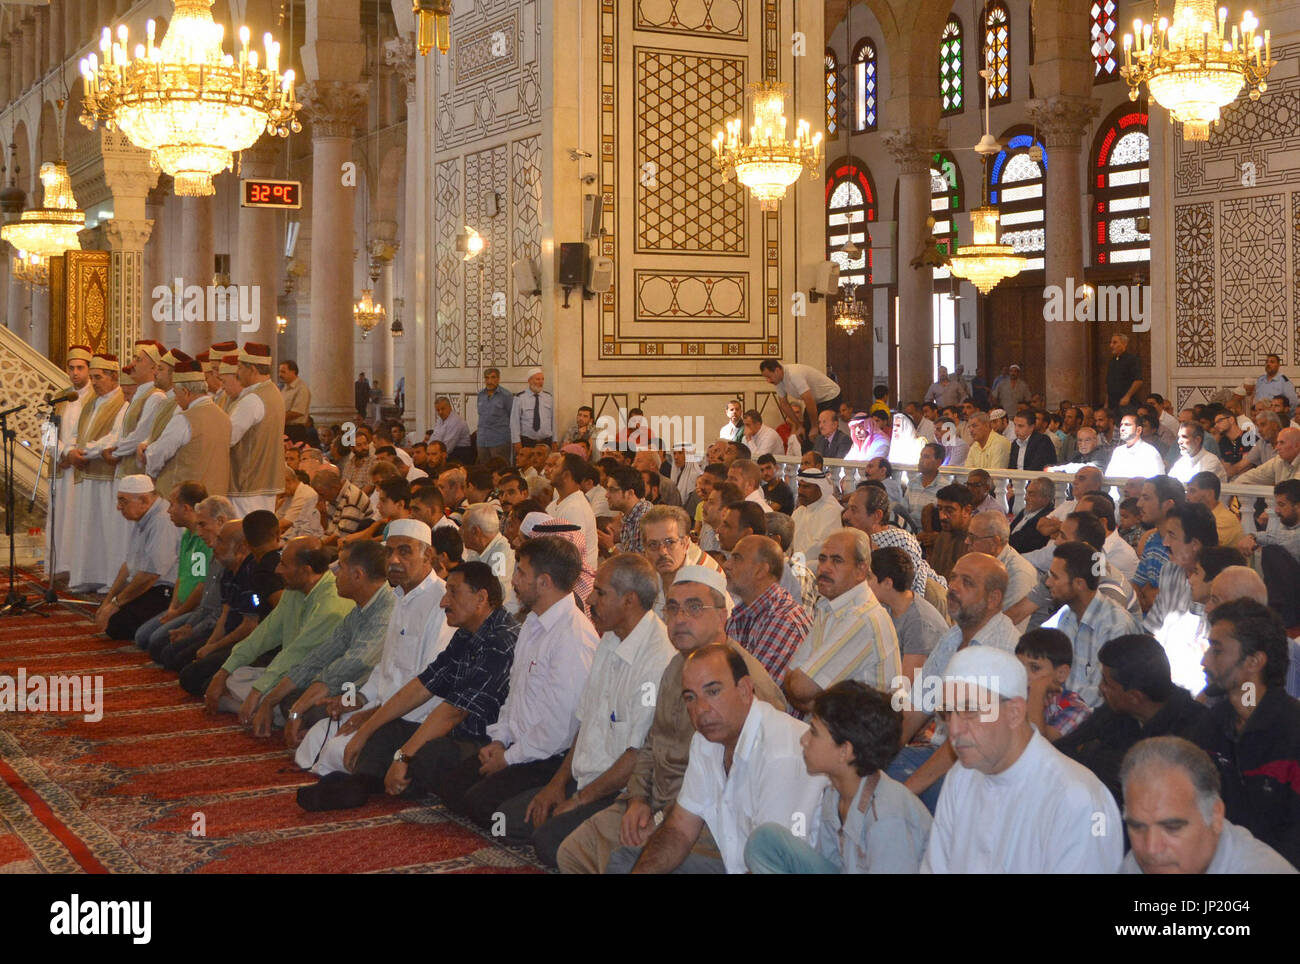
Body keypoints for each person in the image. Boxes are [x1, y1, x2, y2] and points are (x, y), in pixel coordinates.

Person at [555, 567, 786, 874]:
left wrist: (663, 819)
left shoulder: (745, 684)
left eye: (694, 608)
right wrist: (638, 799)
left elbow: (734, 790)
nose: (680, 618)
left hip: (705, 822)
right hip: (651, 800)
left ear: (722, 616)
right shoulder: (677, 665)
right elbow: (651, 744)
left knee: (623, 863)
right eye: (673, 608)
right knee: (570, 852)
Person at [506, 555, 675, 865]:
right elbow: (586, 724)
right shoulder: (610, 638)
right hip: (584, 777)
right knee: (505, 816)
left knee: (547, 841)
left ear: (629, 600)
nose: (589, 599)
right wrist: (557, 785)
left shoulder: (657, 659)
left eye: (600, 592)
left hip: (621, 792)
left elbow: (634, 757)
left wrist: (579, 800)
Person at [609, 644, 826, 874]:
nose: (700, 709)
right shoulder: (706, 741)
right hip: (736, 866)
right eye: (690, 697)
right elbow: (680, 829)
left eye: (713, 692)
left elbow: (773, 865)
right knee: (626, 863)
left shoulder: (781, 753)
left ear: (744, 689)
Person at [430, 537, 598, 831]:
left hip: (549, 758)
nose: (514, 580)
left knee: (487, 810)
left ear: (544, 582)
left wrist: (509, 759)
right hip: (517, 746)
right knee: (450, 788)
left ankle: (555, 800)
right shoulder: (533, 622)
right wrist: (499, 740)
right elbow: (515, 695)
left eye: (520, 572)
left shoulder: (573, 637)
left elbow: (560, 729)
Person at [920, 645, 1123, 873]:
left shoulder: (1078, 798)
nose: (954, 729)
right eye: (947, 713)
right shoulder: (962, 776)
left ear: (1014, 712)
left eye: (970, 711)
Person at [295, 520, 456, 775]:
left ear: (428, 555)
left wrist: (373, 716)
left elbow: (428, 685)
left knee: (339, 752)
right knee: (314, 738)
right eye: (388, 552)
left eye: (404, 551)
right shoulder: (399, 597)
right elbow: (386, 666)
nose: (393, 560)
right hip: (381, 707)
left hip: (412, 718)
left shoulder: (442, 602)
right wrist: (357, 700)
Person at [745, 681, 932, 874]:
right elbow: (830, 865)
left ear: (845, 751)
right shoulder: (835, 793)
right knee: (766, 842)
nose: (803, 740)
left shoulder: (886, 818)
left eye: (814, 733)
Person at [888, 553, 1018, 812]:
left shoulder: (1002, 648)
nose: (954, 588)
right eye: (954, 578)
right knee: (859, 771)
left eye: (967, 583)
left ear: (993, 599)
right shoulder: (954, 635)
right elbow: (916, 707)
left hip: (977, 769)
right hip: (936, 749)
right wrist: (880, 756)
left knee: (894, 800)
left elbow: (965, 740)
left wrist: (907, 789)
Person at [1192, 599, 1300, 867]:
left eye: (1217, 650)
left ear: (1254, 661)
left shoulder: (1293, 733)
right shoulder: (1209, 727)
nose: (1204, 660)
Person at [253, 541, 396, 738]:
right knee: (290, 698)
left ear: (357, 575)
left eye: (340, 568)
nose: (334, 573)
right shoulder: (360, 609)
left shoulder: (386, 613)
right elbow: (319, 657)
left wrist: (297, 709)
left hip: (369, 696)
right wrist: (270, 700)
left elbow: (351, 665)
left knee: (312, 710)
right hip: (345, 687)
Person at [205, 536, 352, 722]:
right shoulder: (294, 590)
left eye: (284, 565)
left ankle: (250, 707)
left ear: (305, 571)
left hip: (317, 680)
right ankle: (254, 707)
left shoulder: (331, 606)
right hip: (290, 671)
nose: (277, 570)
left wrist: (258, 692)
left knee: (290, 704)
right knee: (235, 676)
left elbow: (298, 655)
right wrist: (223, 672)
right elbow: (264, 634)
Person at [1056, 634, 1208, 804]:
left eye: (1106, 683)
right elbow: (1063, 750)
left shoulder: (1195, 732)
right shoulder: (1115, 711)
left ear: (1135, 697)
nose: (1100, 688)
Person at [1119, 736, 1297, 874]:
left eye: (1172, 828)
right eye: (1137, 827)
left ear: (1215, 815)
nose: (1151, 848)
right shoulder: (1141, 864)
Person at [783, 529, 901, 713]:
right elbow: (789, 677)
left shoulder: (862, 618)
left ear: (861, 570)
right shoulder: (827, 606)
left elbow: (799, 687)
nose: (824, 568)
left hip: (859, 738)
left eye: (837, 561)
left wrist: (813, 702)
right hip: (831, 731)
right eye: (822, 559)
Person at [1042, 541, 1143, 708]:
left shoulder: (1115, 625)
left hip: (1096, 723)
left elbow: (1101, 697)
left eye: (1055, 576)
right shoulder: (1067, 616)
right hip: (1065, 712)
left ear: (1079, 584)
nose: (1048, 583)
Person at [65, 353, 129, 592]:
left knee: (106, 528)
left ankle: (109, 578)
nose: (95, 382)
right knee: (86, 528)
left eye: (98, 377)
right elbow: (76, 433)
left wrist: (84, 452)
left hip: (105, 476)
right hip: (86, 471)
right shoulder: (91, 401)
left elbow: (115, 437)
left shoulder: (123, 401)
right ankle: (87, 576)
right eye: (92, 377)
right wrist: (71, 450)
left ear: (114, 376)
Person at [94, 475, 182, 640]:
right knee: (107, 611)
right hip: (150, 586)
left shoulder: (162, 521)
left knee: (117, 624)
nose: (119, 507)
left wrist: (115, 604)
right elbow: (129, 565)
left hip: (166, 591)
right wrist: (109, 600)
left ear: (143, 500)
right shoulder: (145, 517)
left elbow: (151, 575)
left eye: (123, 501)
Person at [131, 482, 212, 653]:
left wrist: (179, 612)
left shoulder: (203, 539)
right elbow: (181, 577)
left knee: (155, 643)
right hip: (180, 606)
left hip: (196, 609)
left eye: (172, 505)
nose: (168, 510)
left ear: (186, 509)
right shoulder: (186, 536)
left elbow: (201, 585)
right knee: (141, 637)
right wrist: (172, 608)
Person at [722, 535, 811, 685]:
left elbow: (753, 690)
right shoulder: (741, 614)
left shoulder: (785, 621)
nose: (727, 565)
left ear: (761, 570)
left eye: (737, 558)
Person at [867, 546, 947, 677]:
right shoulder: (887, 607)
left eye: (869, 578)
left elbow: (906, 686)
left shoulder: (919, 623)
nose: (864, 583)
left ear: (887, 583)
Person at [227, 342, 287, 516]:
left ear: (252, 369)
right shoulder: (274, 392)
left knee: (245, 536)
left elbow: (228, 437)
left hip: (247, 481)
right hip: (265, 480)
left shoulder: (252, 399)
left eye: (239, 368)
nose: (237, 373)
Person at [1237, 478, 1300, 626]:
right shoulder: (1288, 524)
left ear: (1298, 506)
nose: (1276, 510)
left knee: (1273, 552)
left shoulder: (1291, 533)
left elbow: (1292, 539)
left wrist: (1255, 536)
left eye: (1282, 505)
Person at [966, 511, 1038, 630]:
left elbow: (1007, 627)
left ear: (995, 542)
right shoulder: (979, 561)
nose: (967, 541)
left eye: (973, 537)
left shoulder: (1019, 574)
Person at [1015, 627, 1090, 742]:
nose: (1023, 674)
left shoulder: (1074, 706)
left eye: (1035, 668)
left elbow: (1035, 744)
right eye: (1018, 666)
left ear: (1061, 673)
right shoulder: (1011, 696)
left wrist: (1037, 691)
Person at [105, 339, 167, 478]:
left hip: (137, 474)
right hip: (124, 469)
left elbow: (140, 435)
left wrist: (115, 452)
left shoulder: (156, 396)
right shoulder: (140, 394)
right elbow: (124, 433)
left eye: (138, 360)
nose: (132, 364)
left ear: (153, 368)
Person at [760, 358, 841, 442]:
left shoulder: (794, 374)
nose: (768, 381)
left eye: (769, 377)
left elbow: (809, 400)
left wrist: (815, 426)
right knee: (806, 433)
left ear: (777, 370)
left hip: (831, 396)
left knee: (823, 429)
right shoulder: (778, 381)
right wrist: (798, 425)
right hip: (816, 400)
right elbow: (784, 404)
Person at [548, 453, 599, 575]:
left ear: (566, 475)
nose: (550, 470)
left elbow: (571, 556)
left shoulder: (575, 508)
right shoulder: (555, 504)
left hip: (575, 580)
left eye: (555, 466)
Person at [461, 502, 517, 614]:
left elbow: (497, 594)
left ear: (475, 531)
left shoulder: (501, 553)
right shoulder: (474, 551)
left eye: (463, 526)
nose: (460, 531)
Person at [790, 467, 841, 560]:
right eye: (799, 486)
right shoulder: (799, 512)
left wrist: (794, 563)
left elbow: (819, 548)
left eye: (806, 487)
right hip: (798, 564)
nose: (800, 491)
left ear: (820, 488)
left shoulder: (832, 511)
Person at [927, 483, 974, 581]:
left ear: (967, 510)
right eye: (940, 509)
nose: (942, 516)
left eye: (949, 510)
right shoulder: (943, 535)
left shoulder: (976, 541)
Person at [1104, 412, 1167, 481]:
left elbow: (1158, 482)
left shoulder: (1150, 452)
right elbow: (1109, 479)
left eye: (1127, 425)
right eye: (1121, 425)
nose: (1122, 428)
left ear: (1138, 430)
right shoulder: (1118, 451)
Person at [511, 367, 555, 456]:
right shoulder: (520, 398)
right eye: (538, 379)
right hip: (527, 442)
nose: (541, 382)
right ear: (530, 380)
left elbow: (553, 421)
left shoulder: (548, 397)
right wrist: (516, 442)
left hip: (546, 441)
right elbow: (514, 422)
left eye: (542, 379)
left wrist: (555, 440)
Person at [1169, 421, 1227, 486]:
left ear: (1197, 440)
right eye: (1179, 437)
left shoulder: (1211, 461)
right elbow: (1170, 484)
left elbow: (1198, 490)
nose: (1179, 441)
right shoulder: (1181, 461)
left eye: (1184, 437)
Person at [1009, 476, 1054, 554]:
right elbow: (1010, 530)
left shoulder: (1046, 518)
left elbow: (1022, 544)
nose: (1025, 498)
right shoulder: (1026, 511)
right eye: (1027, 493)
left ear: (1046, 498)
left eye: (1031, 494)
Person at [1106, 333, 1143, 409]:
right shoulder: (1112, 361)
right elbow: (1109, 384)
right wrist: (1106, 403)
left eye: (1115, 342)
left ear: (1124, 344)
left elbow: (1138, 380)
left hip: (1127, 403)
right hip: (1112, 403)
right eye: (1111, 342)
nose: (1111, 345)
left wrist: (1127, 396)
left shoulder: (1132, 359)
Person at [278, 360, 311, 427]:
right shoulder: (284, 388)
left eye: (283, 372)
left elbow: (297, 412)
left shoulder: (301, 388)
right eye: (279, 371)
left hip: (295, 429)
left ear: (293, 372)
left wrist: (276, 418)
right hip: (284, 427)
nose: (280, 375)